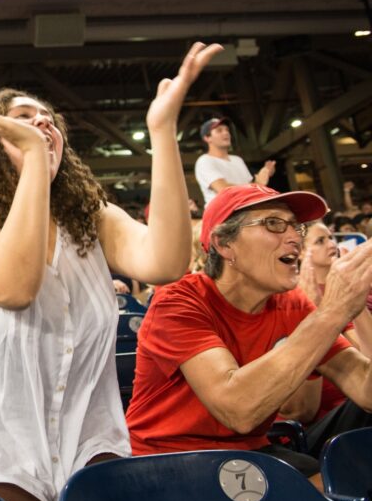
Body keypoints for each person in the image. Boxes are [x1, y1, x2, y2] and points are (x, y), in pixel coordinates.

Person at [0, 43, 216, 501]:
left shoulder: (89, 222)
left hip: (89, 443)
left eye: (49, 118)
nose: (42, 124)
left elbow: (166, 261)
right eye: (23, 118)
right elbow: (14, 286)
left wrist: (162, 132)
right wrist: (33, 160)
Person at [126, 184, 372, 485]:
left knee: (348, 495)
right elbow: (238, 409)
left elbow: (366, 389)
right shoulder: (179, 300)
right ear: (224, 245)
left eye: (297, 227)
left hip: (251, 454)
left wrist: (356, 305)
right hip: (169, 463)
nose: (295, 237)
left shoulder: (292, 303)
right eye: (273, 224)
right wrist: (333, 311)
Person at [278, 221, 372, 427]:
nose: (330, 244)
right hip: (326, 417)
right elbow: (300, 410)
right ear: (301, 252)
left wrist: (356, 301)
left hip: (353, 401)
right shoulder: (292, 297)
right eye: (320, 241)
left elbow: (365, 357)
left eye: (330, 237)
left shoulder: (349, 290)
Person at [193, 117, 274, 206]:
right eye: (219, 130)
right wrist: (257, 185)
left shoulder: (237, 160)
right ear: (207, 138)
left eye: (227, 130)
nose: (226, 133)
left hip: (244, 209)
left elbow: (249, 187)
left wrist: (264, 175)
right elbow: (224, 189)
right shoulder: (204, 161)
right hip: (221, 213)